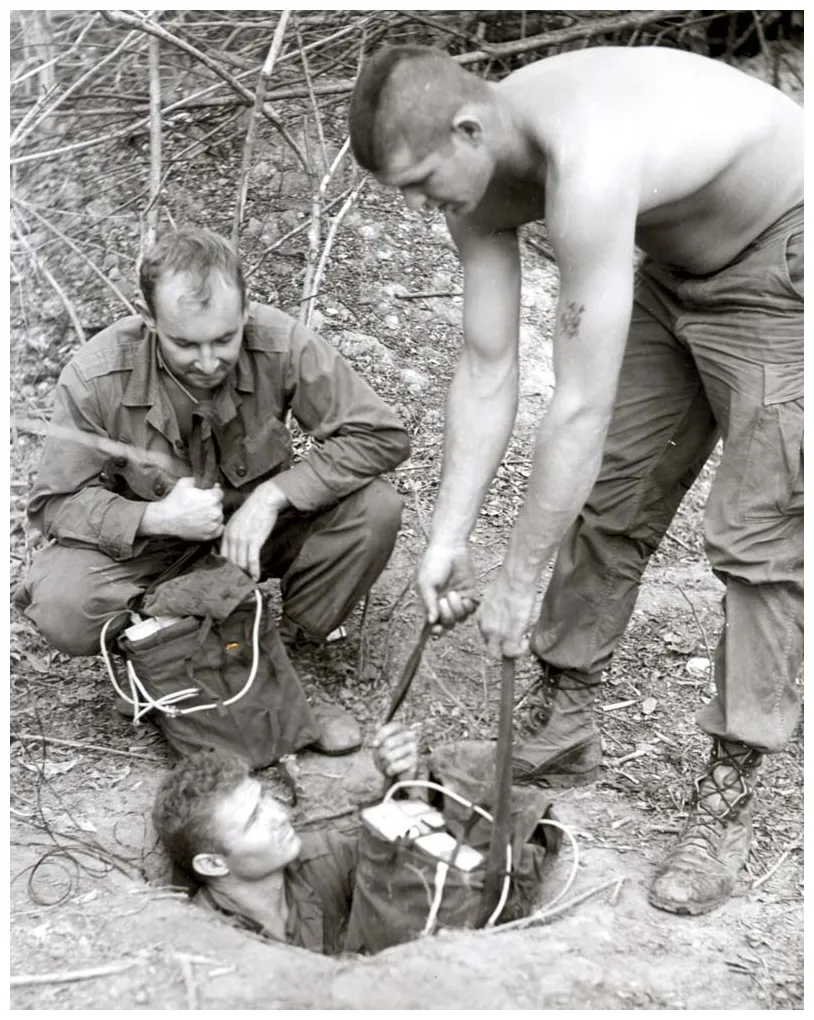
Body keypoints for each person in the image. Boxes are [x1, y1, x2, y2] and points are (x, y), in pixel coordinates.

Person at [348, 44, 803, 915]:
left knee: (757, 539)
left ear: (469, 127)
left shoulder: (587, 156)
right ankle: (563, 720)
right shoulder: (473, 182)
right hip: (674, 272)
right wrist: (448, 540)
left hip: (785, 260)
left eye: (419, 180)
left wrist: (518, 582)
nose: (416, 207)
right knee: (609, 499)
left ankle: (729, 794)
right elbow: (487, 367)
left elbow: (577, 406)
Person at [15, 226, 411, 754]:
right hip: (154, 555)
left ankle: (282, 649)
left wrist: (276, 496)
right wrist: (154, 518)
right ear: (151, 321)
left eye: (224, 339)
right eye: (185, 343)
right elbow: (56, 504)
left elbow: (379, 436)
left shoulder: (280, 341)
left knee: (375, 510)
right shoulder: (95, 375)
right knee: (62, 600)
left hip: (254, 537)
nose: (207, 361)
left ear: (245, 311)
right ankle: (163, 655)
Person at [152, 720, 419, 955]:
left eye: (264, 798)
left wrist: (406, 782)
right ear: (213, 864)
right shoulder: (208, 944)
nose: (281, 814)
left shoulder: (315, 855)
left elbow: (394, 857)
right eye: (254, 818)